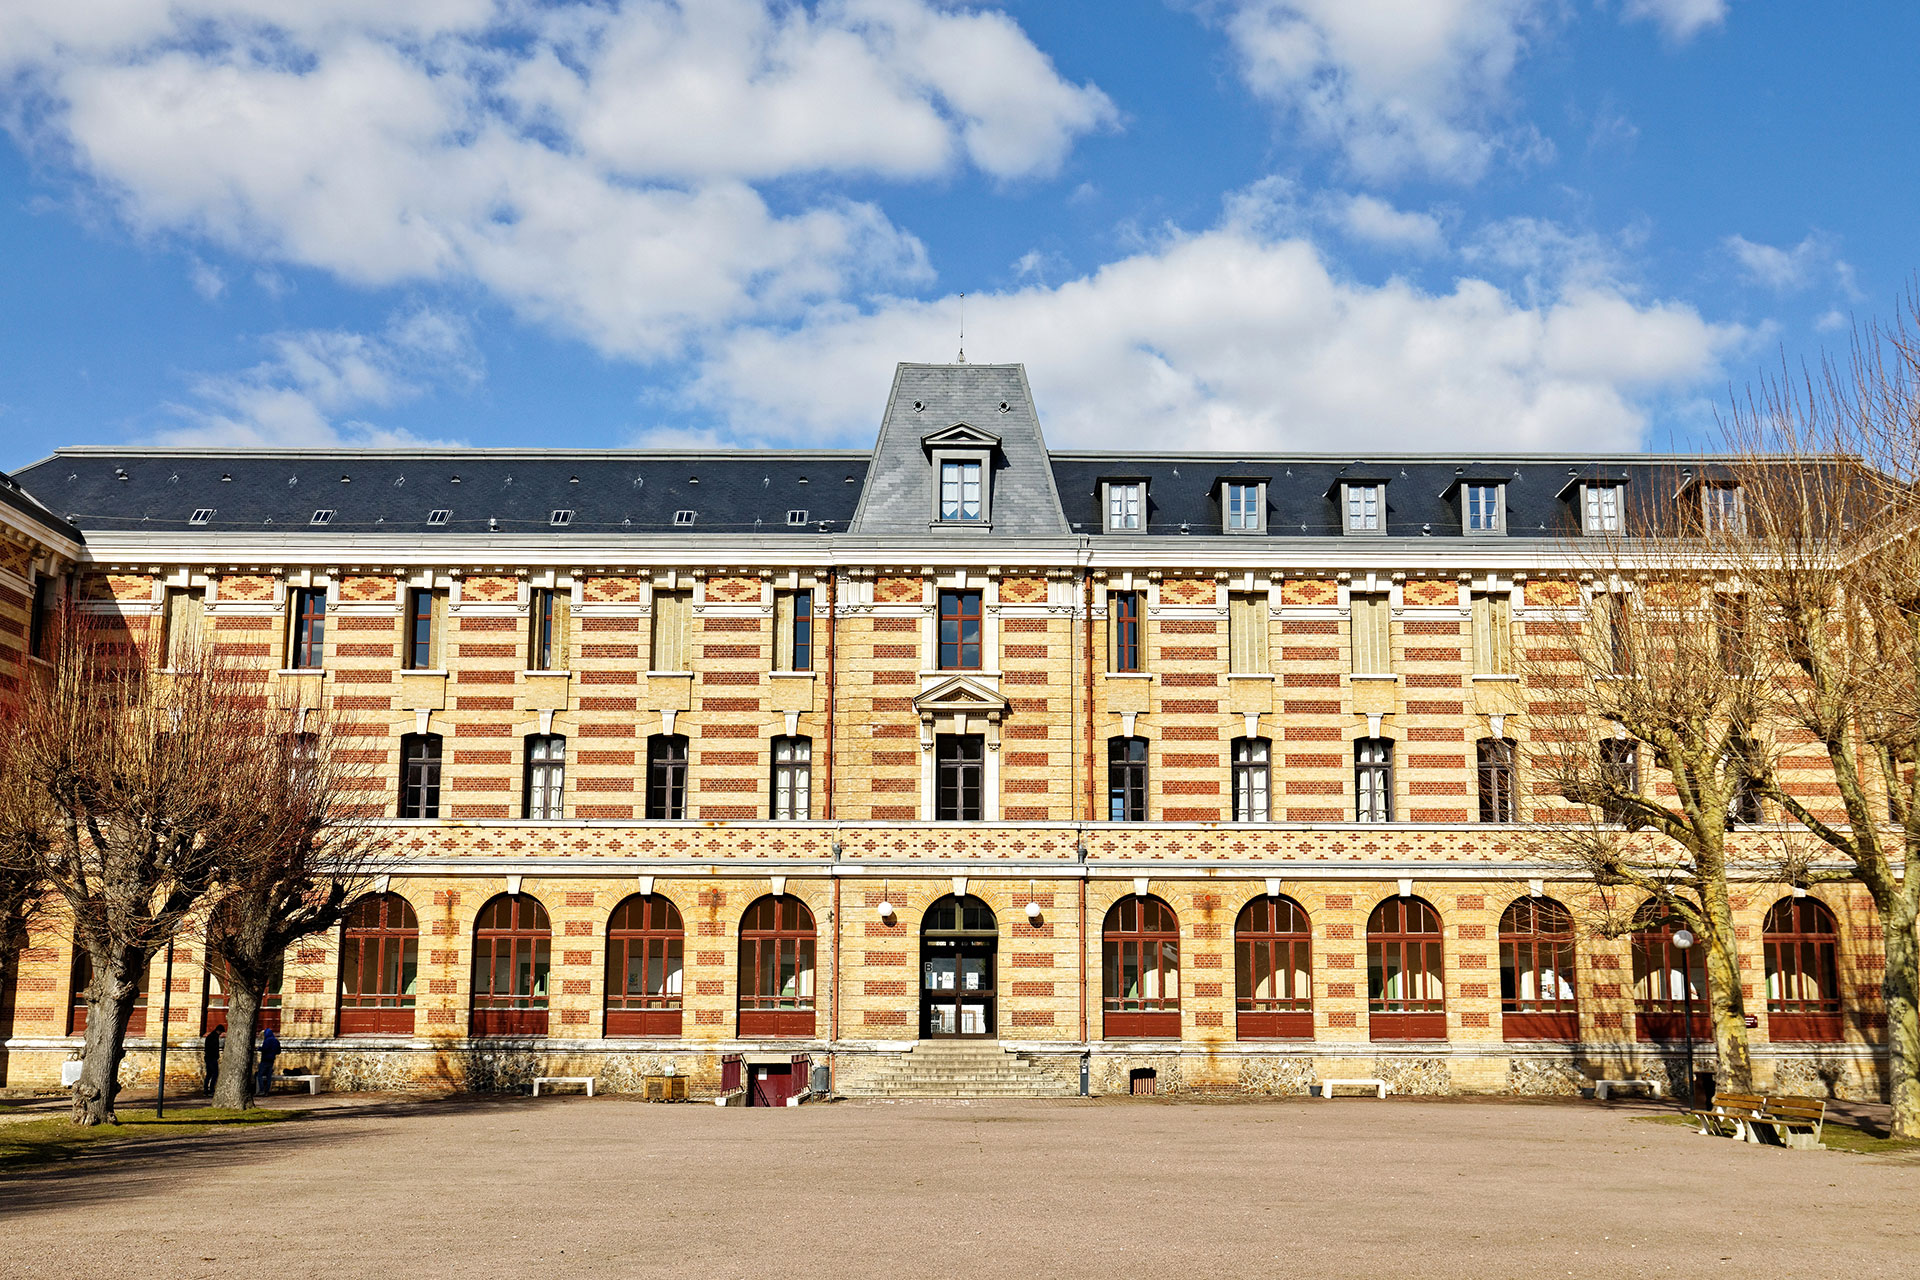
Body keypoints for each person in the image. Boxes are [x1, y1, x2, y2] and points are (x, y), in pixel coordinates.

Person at [254, 1026, 280, 1096]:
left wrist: (259, 1048)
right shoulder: (276, 1041)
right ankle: (266, 1091)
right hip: (271, 1060)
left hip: (265, 1059)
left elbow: (265, 1049)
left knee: (260, 1075)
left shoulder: (267, 1041)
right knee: (269, 1077)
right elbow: (278, 1051)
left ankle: (261, 1090)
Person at [202, 1025, 224, 1096]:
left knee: (209, 1074)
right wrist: (216, 1056)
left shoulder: (210, 1036)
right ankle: (211, 1089)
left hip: (208, 1057)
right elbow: (214, 1048)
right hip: (212, 1058)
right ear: (219, 1031)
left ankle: (206, 1089)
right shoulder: (214, 1037)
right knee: (215, 1073)